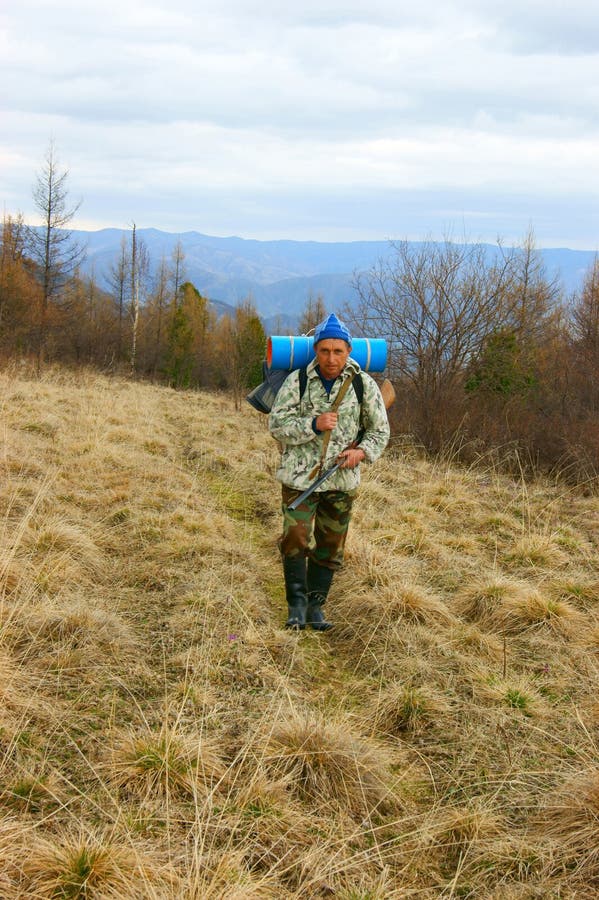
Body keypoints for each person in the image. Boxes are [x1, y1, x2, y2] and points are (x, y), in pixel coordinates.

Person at [268, 313, 390, 630]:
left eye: (338, 351)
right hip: (299, 478)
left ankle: (315, 607)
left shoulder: (364, 385)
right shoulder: (298, 381)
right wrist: (313, 424)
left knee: (331, 545)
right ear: (316, 350)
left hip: (341, 480)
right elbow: (277, 426)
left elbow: (379, 431)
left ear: (349, 351)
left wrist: (361, 452)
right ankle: (295, 606)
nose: (331, 358)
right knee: (295, 538)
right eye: (324, 351)